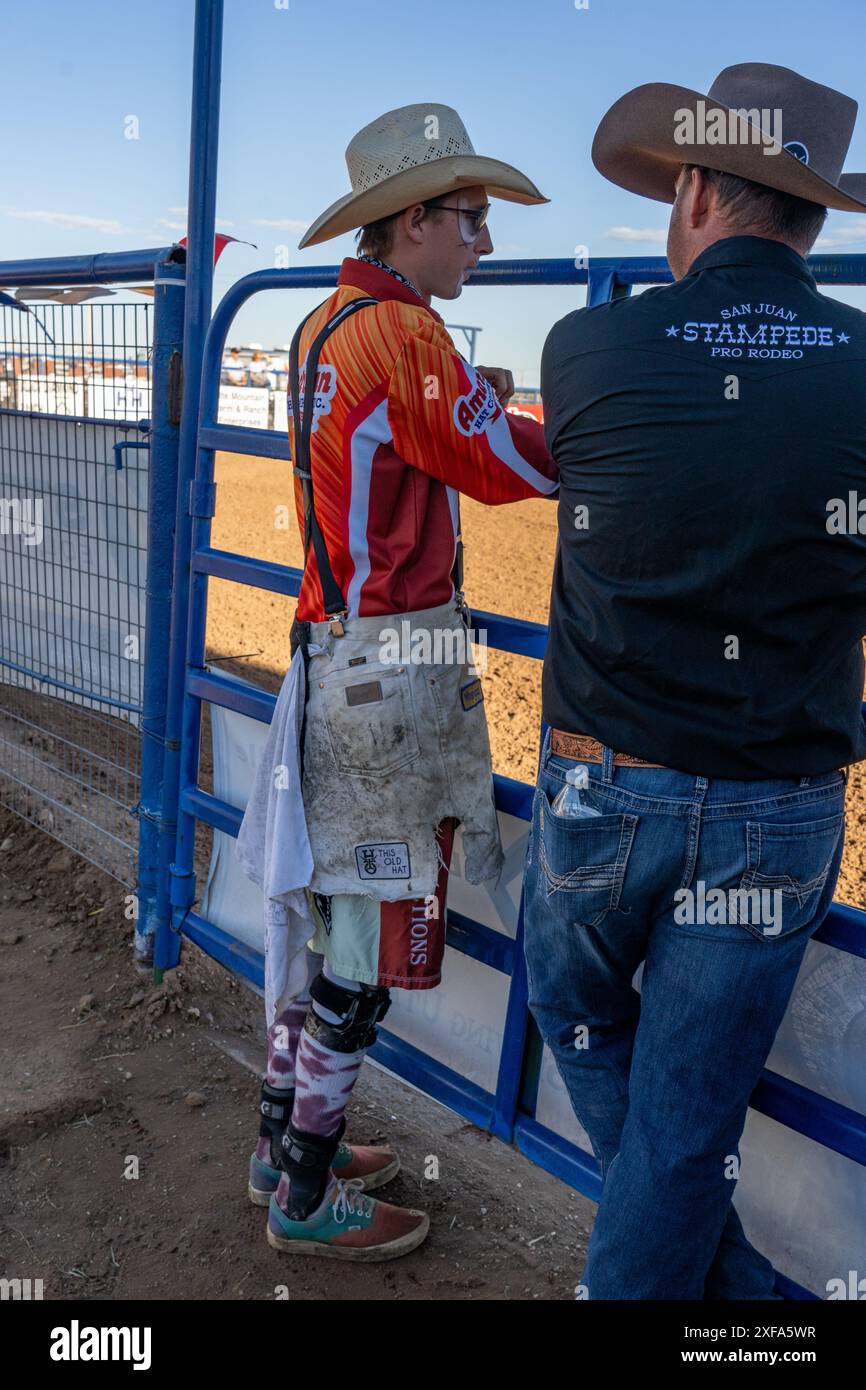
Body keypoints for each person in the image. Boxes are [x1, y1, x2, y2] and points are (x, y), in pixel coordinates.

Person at [523, 63, 866, 1299]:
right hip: (777, 804)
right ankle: (743, 1301)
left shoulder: (582, 347)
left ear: (693, 191)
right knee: (681, 1127)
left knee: (575, 1014)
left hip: (602, 791)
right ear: (812, 220)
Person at [236, 102, 558, 1260]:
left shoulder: (324, 326)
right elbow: (502, 456)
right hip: (390, 671)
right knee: (366, 955)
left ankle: (284, 1145)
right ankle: (305, 1198)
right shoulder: (403, 338)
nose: (482, 243)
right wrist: (624, 420)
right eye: (470, 220)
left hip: (336, 656)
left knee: (332, 931)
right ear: (411, 219)